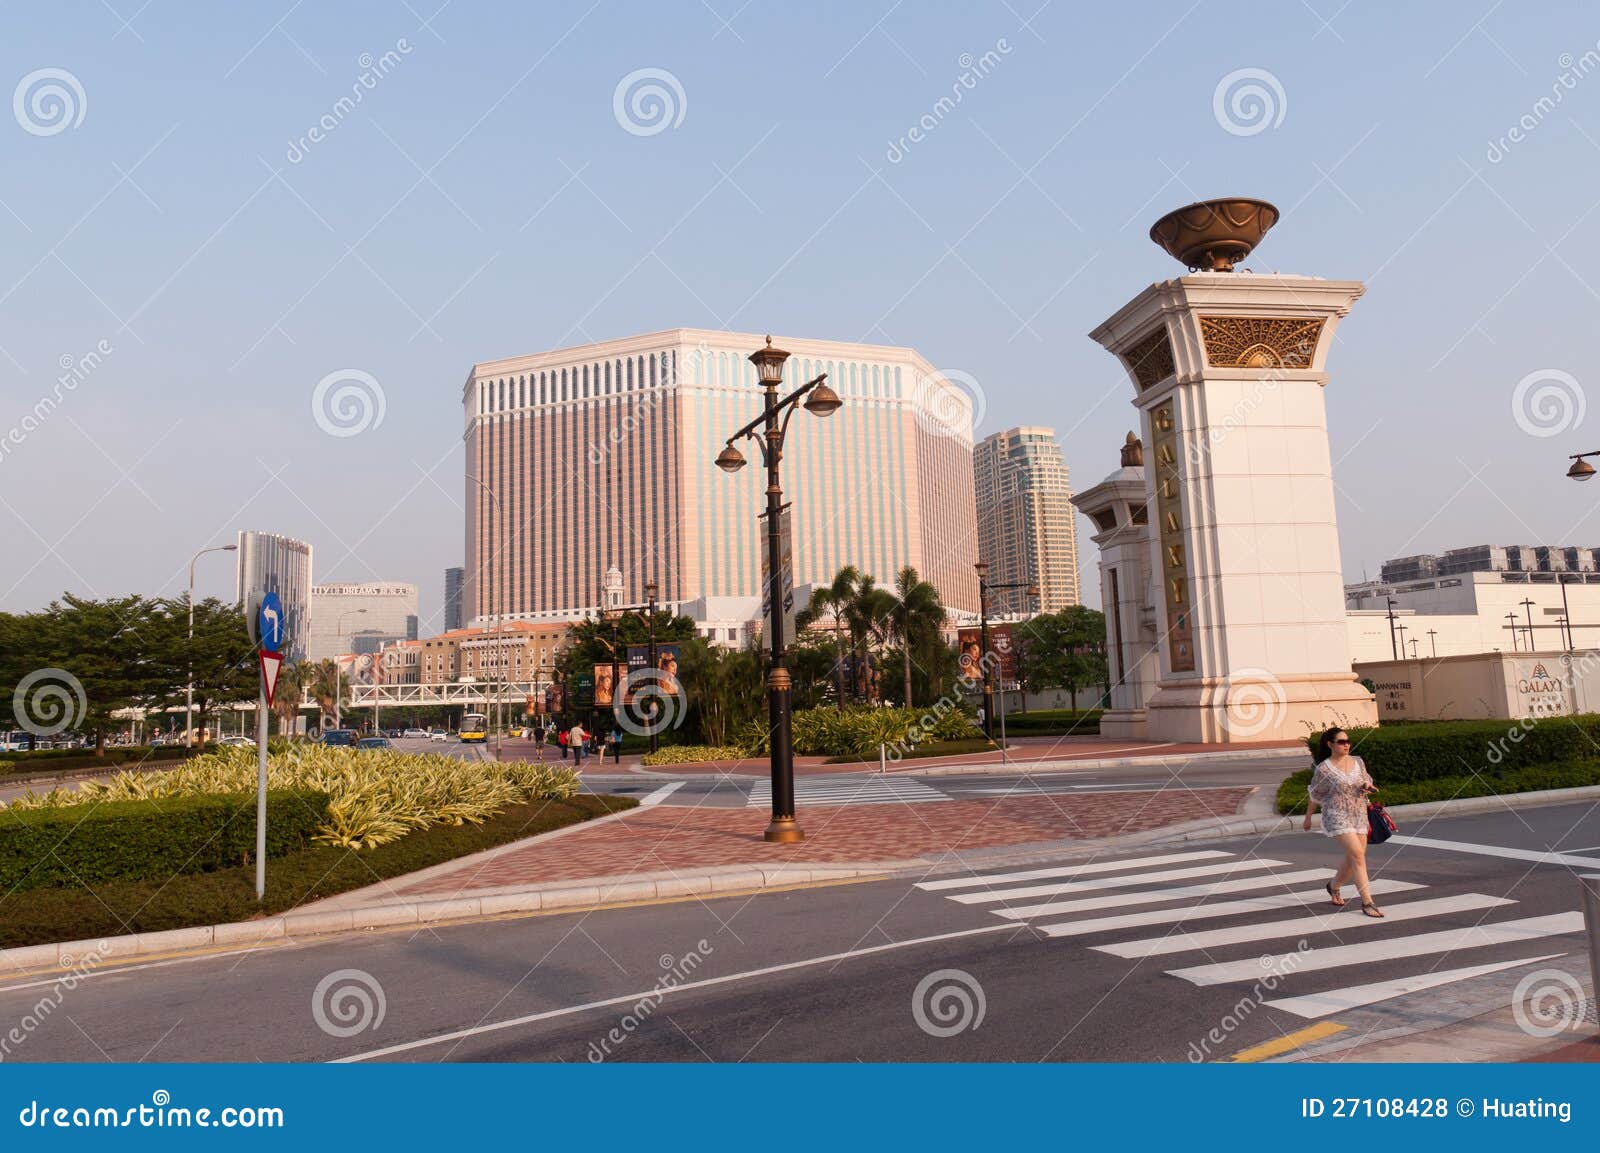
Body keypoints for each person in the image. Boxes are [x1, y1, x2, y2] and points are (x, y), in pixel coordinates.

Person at [1303, 727, 1384, 918]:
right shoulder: (1324, 769)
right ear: (1330, 744)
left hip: (1359, 813)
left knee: (1355, 856)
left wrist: (1367, 786)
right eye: (1341, 742)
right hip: (1336, 814)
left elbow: (1365, 780)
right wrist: (1308, 817)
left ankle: (1334, 886)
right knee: (1357, 855)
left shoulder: (1357, 761)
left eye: (1347, 741)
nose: (1346, 745)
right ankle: (1367, 902)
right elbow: (1315, 795)